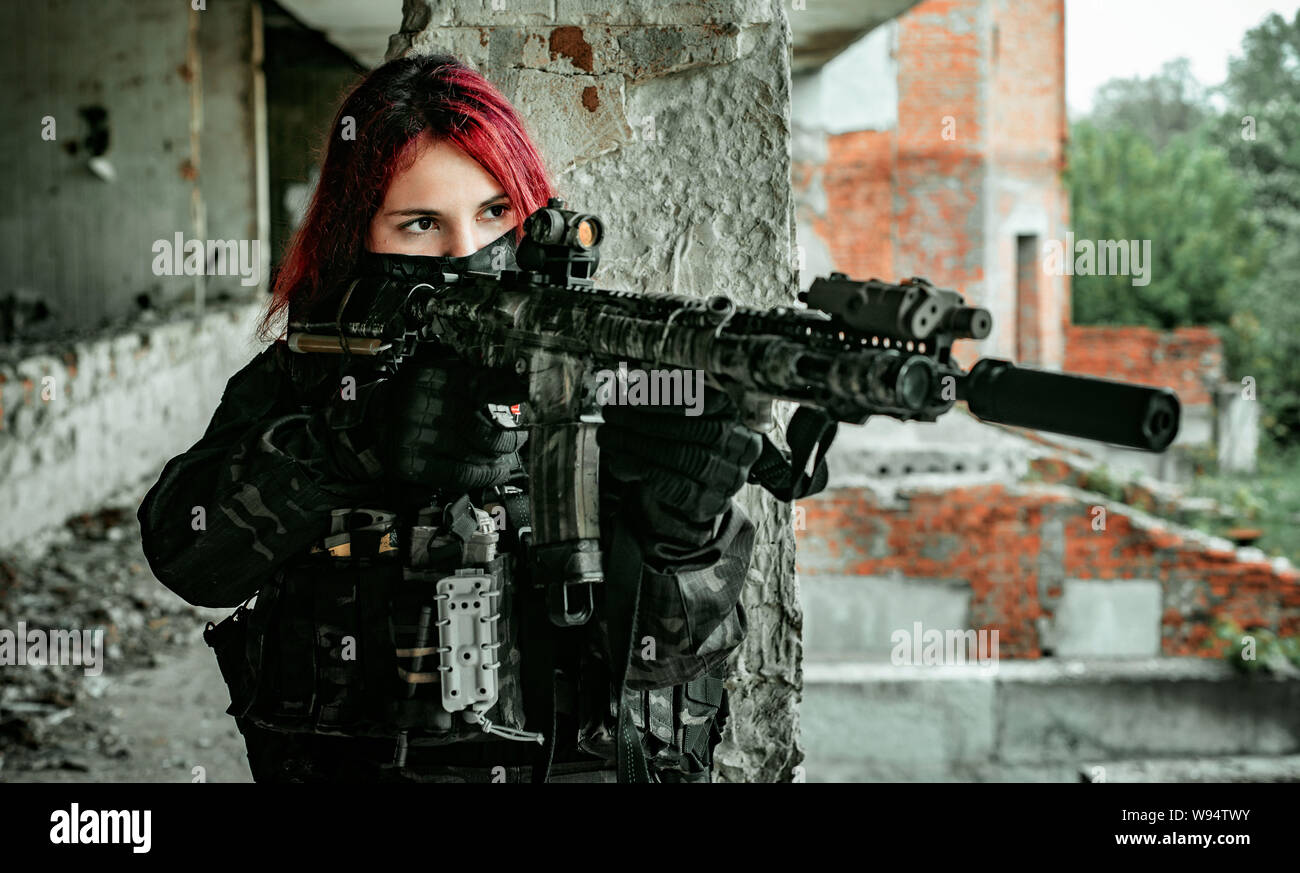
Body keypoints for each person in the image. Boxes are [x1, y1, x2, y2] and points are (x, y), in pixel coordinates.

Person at [137, 53, 762, 783]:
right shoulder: (314, 370)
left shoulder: (598, 375)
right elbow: (188, 555)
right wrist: (349, 442)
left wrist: (682, 537)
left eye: (496, 213)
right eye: (420, 224)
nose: (467, 253)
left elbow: (672, 659)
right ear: (359, 236)